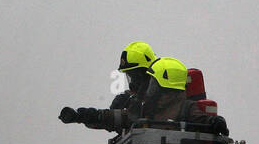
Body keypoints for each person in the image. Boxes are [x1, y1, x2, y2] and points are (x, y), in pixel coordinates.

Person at [59, 56, 228, 136]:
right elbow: (118, 118)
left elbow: (200, 119)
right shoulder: (145, 109)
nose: (149, 88)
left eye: (153, 83)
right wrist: (83, 115)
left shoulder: (187, 107)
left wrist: (214, 121)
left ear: (163, 85)